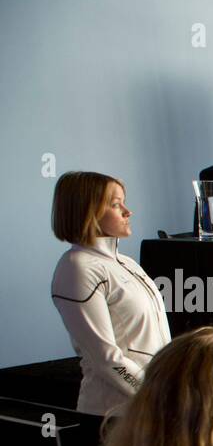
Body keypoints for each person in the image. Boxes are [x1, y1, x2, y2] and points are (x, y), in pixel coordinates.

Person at [50, 172, 171, 418]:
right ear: (87, 211)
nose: (128, 211)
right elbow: (106, 358)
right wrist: (158, 396)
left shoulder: (126, 263)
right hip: (114, 416)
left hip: (153, 409)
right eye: (116, 204)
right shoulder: (77, 267)